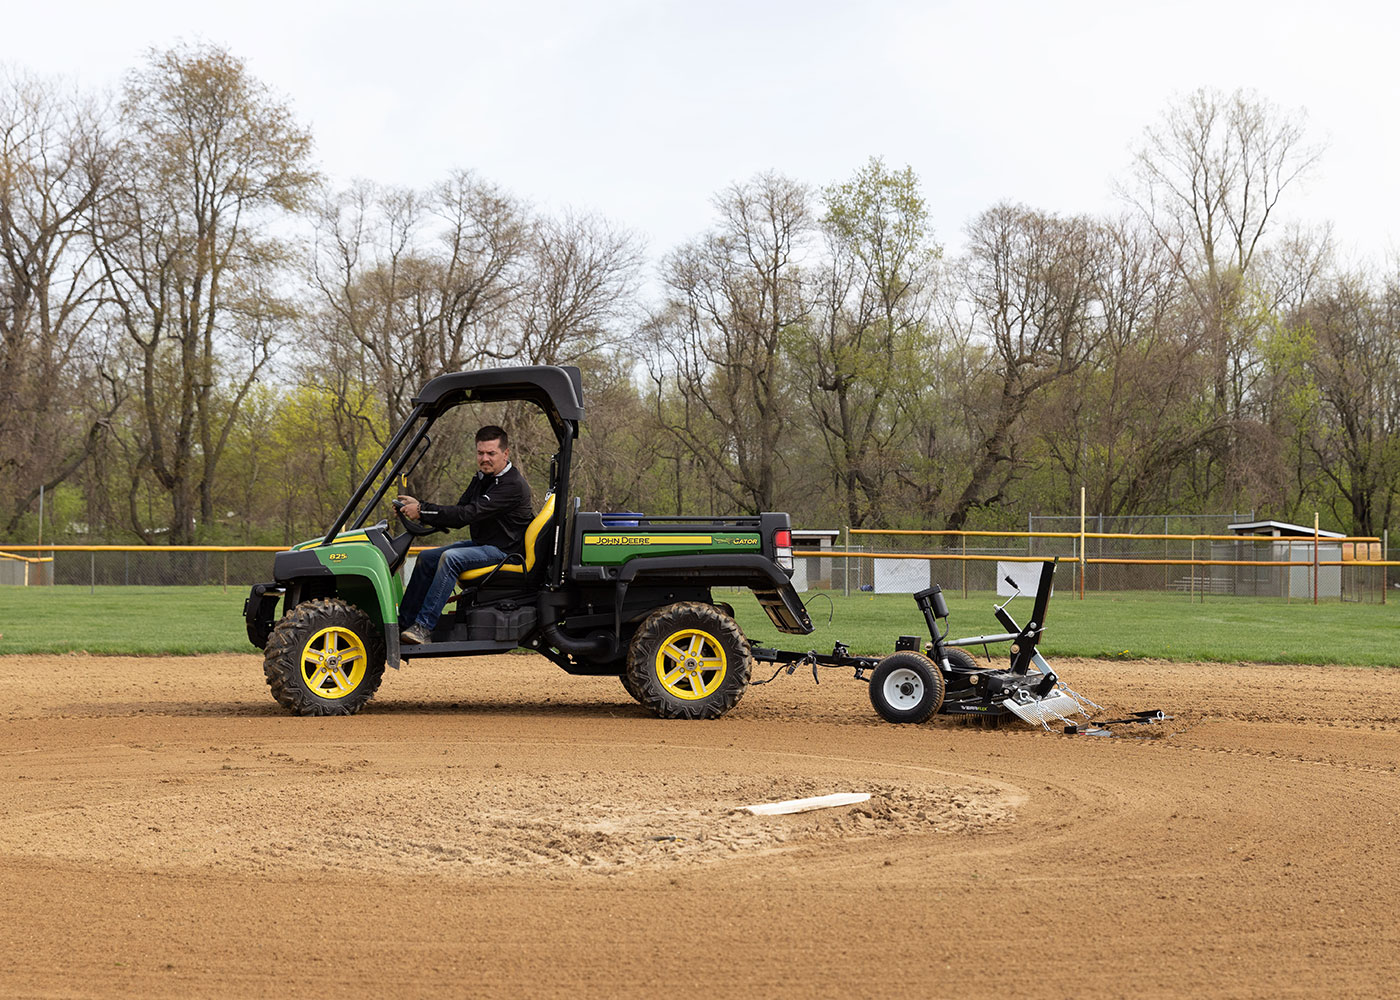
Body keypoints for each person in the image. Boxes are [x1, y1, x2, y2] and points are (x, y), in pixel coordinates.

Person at [395, 425, 533, 645]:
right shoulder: (482, 479)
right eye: (480, 453)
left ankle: (423, 627)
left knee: (451, 559)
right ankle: (402, 625)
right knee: (427, 558)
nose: (484, 458)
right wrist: (421, 509)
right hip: (484, 545)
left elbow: (468, 514)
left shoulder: (512, 485)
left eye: (491, 453)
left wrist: (422, 510)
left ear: (505, 453)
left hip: (506, 552)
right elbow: (459, 510)